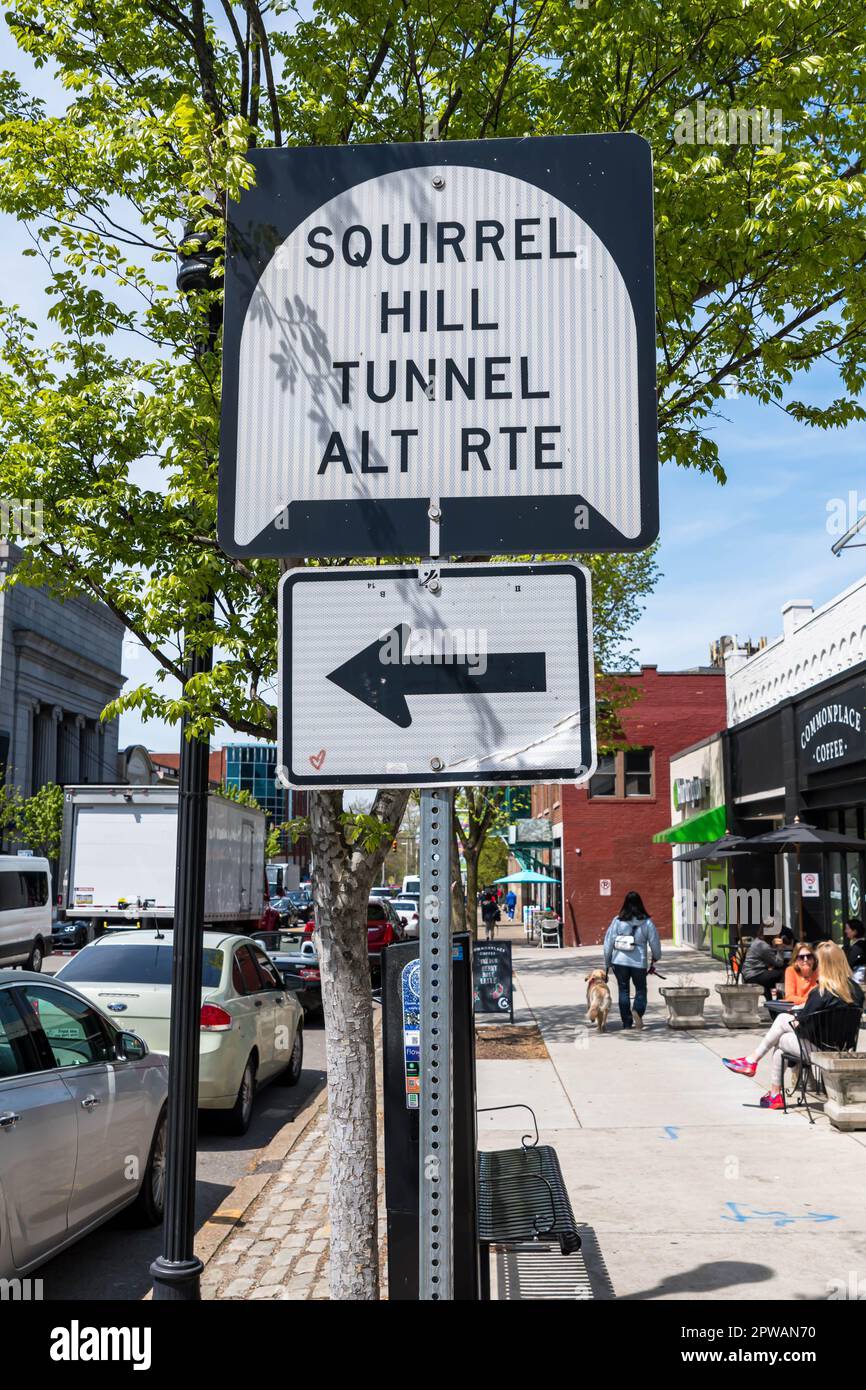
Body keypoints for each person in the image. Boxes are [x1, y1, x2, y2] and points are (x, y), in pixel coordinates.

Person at [722, 940, 864, 1110]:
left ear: (824, 964)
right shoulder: (856, 991)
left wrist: (796, 1018)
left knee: (782, 1030)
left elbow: (804, 1028)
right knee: (782, 1034)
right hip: (843, 1047)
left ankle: (754, 1064)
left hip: (820, 1050)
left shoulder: (820, 993)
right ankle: (771, 1090)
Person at [602, 890, 661, 1031]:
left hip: (619, 961)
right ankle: (637, 1011)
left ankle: (627, 1022)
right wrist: (656, 956)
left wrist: (607, 961)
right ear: (640, 904)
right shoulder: (647, 922)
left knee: (623, 990)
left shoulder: (617, 921)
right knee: (641, 989)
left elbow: (608, 942)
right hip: (638, 962)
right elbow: (654, 942)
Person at [741, 923, 792, 998]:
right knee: (783, 972)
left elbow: (770, 959)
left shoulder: (758, 941)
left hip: (749, 974)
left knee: (776, 972)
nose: (778, 934)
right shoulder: (763, 945)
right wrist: (780, 947)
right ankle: (780, 999)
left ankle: (772, 1002)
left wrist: (773, 945)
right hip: (754, 976)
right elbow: (779, 963)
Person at [844, 918, 866, 983]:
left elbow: (849, 964)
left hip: (857, 979)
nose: (845, 931)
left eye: (847, 929)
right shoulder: (861, 944)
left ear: (855, 931)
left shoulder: (858, 947)